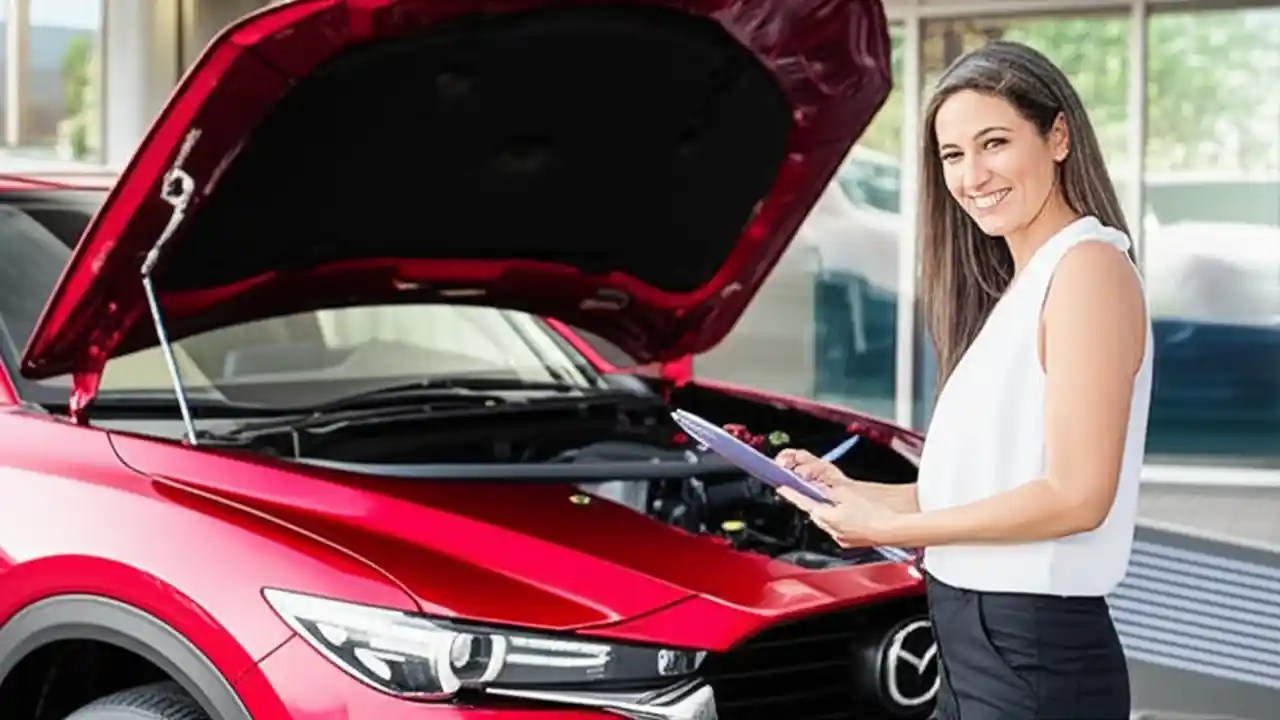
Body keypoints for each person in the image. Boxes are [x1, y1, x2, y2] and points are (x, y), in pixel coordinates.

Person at [775, 40, 1152, 720]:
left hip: (1033, 654)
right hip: (974, 643)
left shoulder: (1088, 271)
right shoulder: (1022, 288)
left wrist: (899, 527)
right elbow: (993, 490)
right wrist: (863, 498)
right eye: (952, 155)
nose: (972, 175)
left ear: (1058, 136)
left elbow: (1076, 497)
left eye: (995, 143)